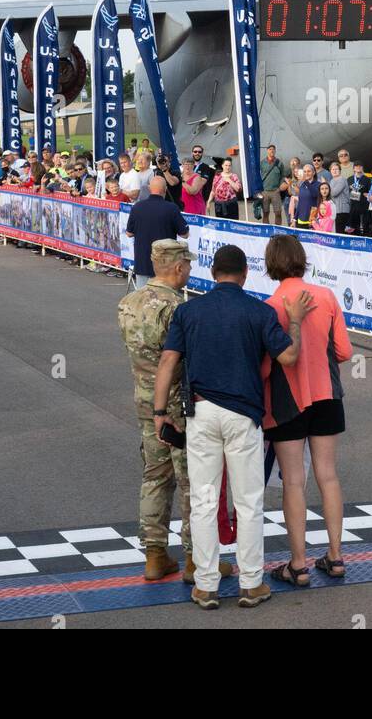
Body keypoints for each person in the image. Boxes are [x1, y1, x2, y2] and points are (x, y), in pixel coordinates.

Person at [153, 245, 312, 609]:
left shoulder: (188, 312)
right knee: (248, 501)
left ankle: (206, 585)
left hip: (201, 413)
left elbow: (167, 361)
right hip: (243, 415)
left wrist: (159, 411)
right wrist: (296, 320)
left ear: (212, 274)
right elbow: (289, 356)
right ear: (244, 275)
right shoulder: (257, 311)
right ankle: (251, 583)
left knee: (205, 501)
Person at [117, 239, 231, 586]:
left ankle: (154, 555)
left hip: (145, 402)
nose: (190, 270)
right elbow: (184, 359)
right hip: (179, 405)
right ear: (178, 267)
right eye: (188, 265)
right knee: (192, 481)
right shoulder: (177, 309)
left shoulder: (127, 302)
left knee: (155, 475)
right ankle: (196, 559)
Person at [261, 235, 353, 586]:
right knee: (327, 475)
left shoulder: (270, 305)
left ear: (272, 264)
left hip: (286, 400)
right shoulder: (326, 296)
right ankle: (335, 555)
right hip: (327, 394)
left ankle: (297, 563)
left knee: (293, 481)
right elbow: (343, 351)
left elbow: (267, 365)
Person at [125, 176, 189, 278]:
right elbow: (185, 234)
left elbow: (129, 233)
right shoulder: (171, 208)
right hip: (165, 264)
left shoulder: (137, 207)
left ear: (150, 189)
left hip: (143, 263)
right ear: (165, 189)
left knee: (144, 293)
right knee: (164, 293)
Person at [259, 145, 286, 225]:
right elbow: (258, 176)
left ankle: (278, 230)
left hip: (275, 191)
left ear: (275, 151)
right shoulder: (262, 163)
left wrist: (280, 187)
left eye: (273, 149)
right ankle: (266, 230)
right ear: (267, 151)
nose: (272, 151)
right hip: (265, 191)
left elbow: (282, 176)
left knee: (278, 213)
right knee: (266, 213)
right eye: (270, 149)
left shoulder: (279, 163)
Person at [343, 160, 371, 236]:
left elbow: (370, 193)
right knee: (353, 229)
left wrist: (368, 195)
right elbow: (346, 192)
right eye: (356, 166)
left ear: (363, 168)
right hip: (352, 207)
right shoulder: (349, 179)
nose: (358, 167)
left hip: (363, 207)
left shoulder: (367, 179)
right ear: (353, 168)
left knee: (364, 227)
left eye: (360, 166)